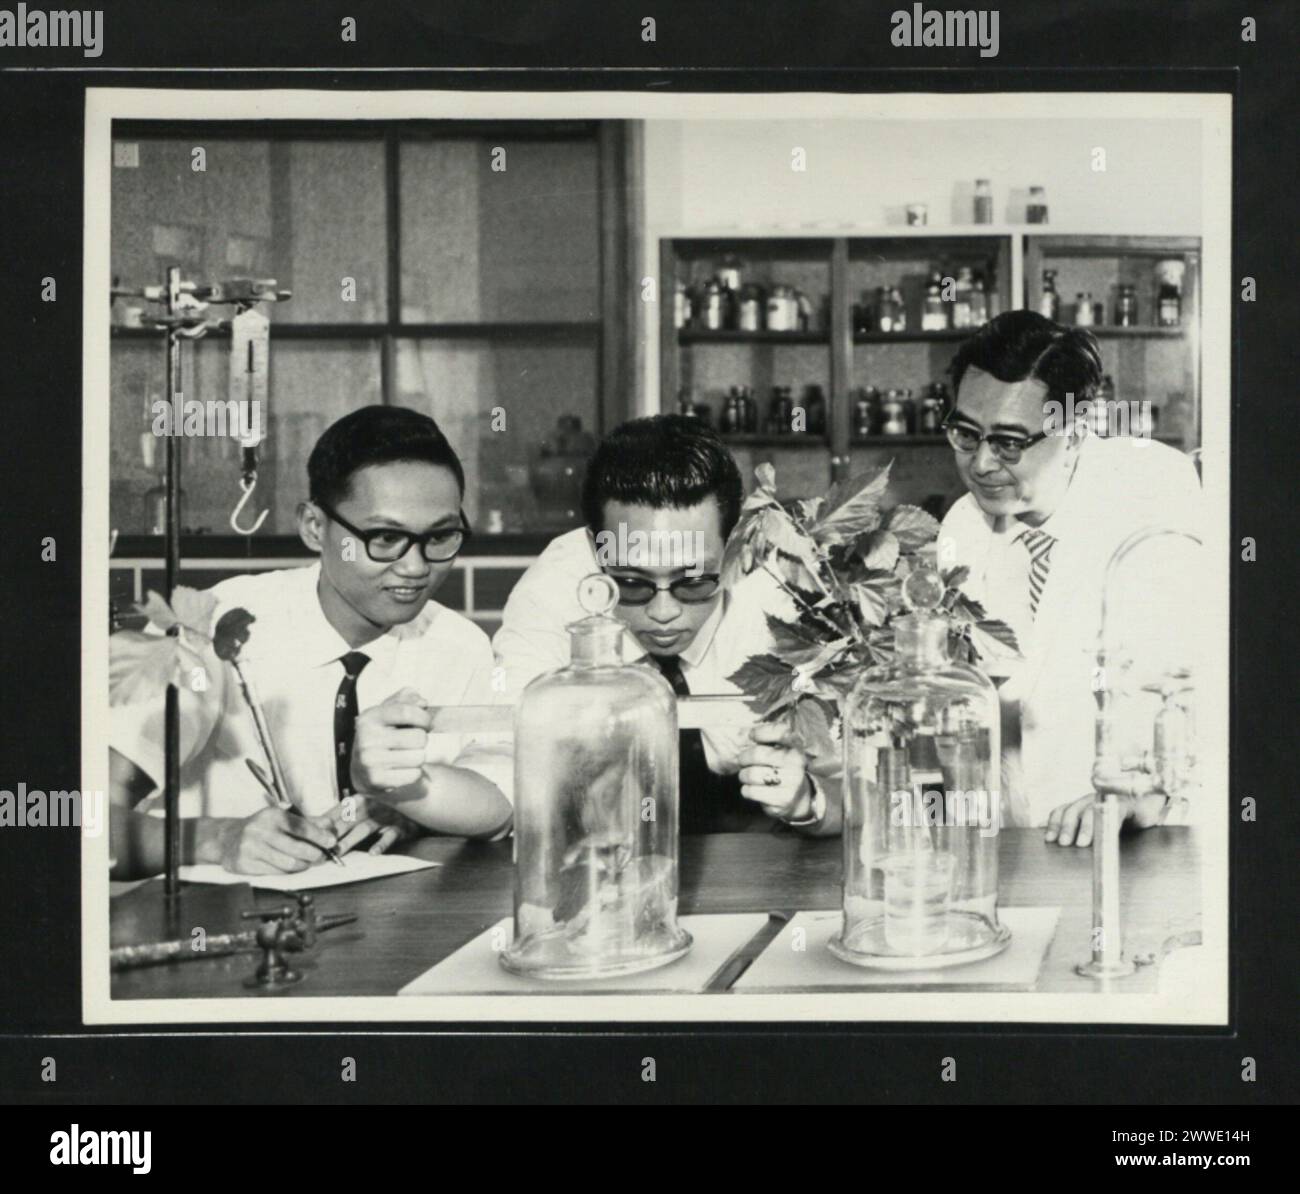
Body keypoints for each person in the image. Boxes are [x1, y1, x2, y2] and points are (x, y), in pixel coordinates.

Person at [109, 406, 512, 878]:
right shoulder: (216, 629)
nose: (416, 567)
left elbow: (501, 808)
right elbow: (83, 817)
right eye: (385, 537)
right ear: (314, 527)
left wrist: (411, 808)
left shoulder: (460, 647)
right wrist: (217, 839)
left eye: (440, 536)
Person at [494, 414, 840, 835]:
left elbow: (861, 785)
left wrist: (807, 801)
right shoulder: (553, 592)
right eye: (630, 583)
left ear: (736, 544)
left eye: (693, 583)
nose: (662, 612)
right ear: (594, 548)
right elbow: (504, 768)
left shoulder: (779, 590)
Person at [935, 311, 1205, 847]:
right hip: (1020, 845)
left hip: (1144, 842)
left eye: (1010, 441)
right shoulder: (962, 525)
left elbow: (1204, 681)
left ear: (1076, 431)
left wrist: (1142, 792)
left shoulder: (1153, 490)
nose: (982, 463)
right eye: (966, 434)